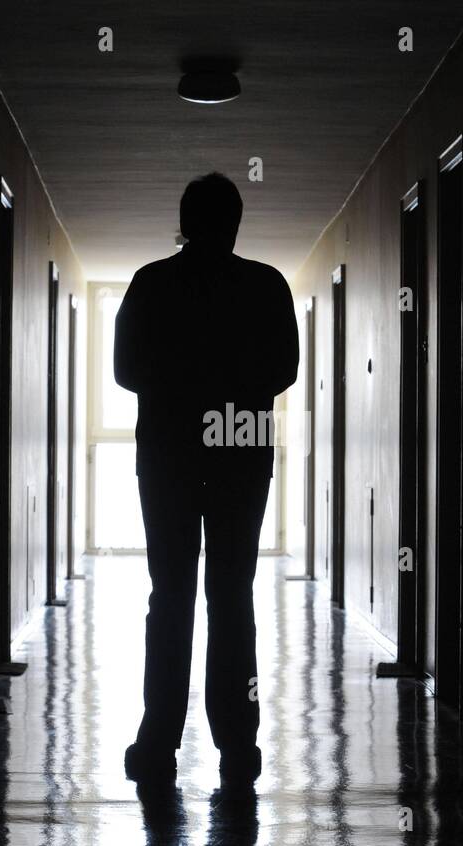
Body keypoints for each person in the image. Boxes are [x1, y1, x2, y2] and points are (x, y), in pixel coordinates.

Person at [114, 171, 299, 785]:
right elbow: (284, 370)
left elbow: (124, 370)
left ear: (185, 222)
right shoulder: (265, 285)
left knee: (169, 594)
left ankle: (159, 739)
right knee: (231, 595)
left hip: (167, 456)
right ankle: (237, 747)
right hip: (240, 457)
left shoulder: (151, 283)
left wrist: (179, 387)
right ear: (236, 222)